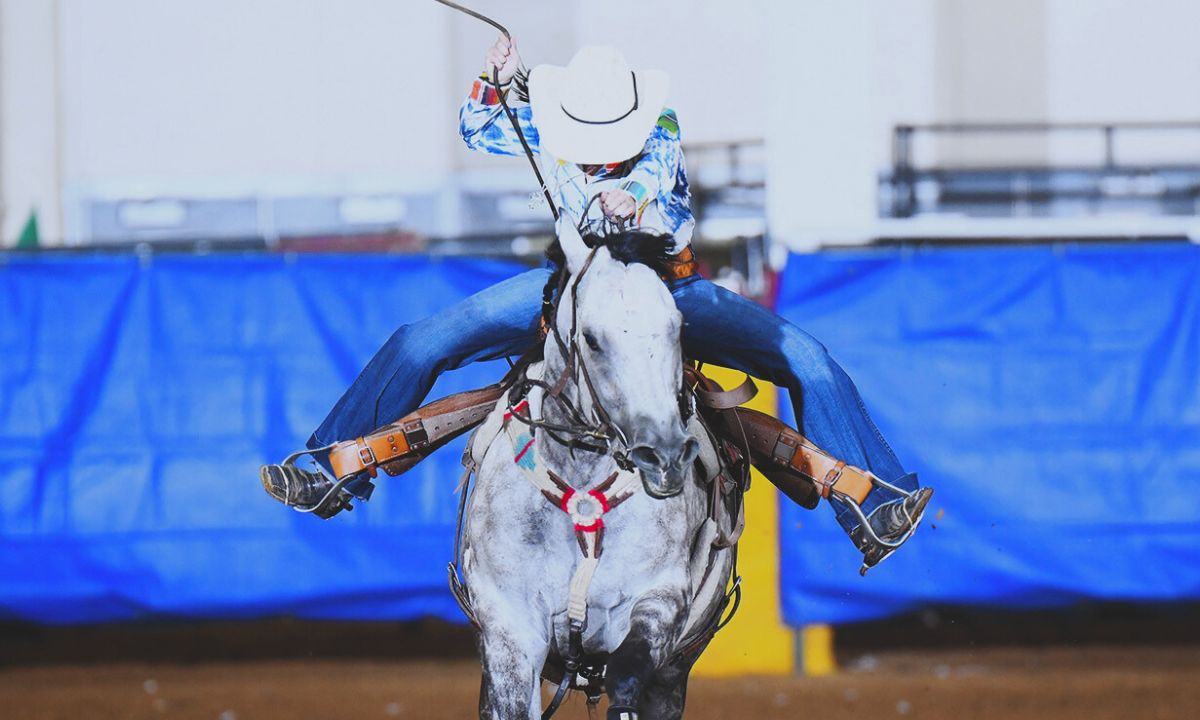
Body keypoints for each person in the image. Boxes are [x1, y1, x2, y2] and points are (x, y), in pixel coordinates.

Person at [260, 38, 932, 572]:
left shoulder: (659, 131)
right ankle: (329, 468)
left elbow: (660, 198)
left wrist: (629, 204)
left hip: (667, 290)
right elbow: (478, 128)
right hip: (572, 295)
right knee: (420, 341)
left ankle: (874, 505)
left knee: (808, 360)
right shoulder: (547, 127)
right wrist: (495, 82)